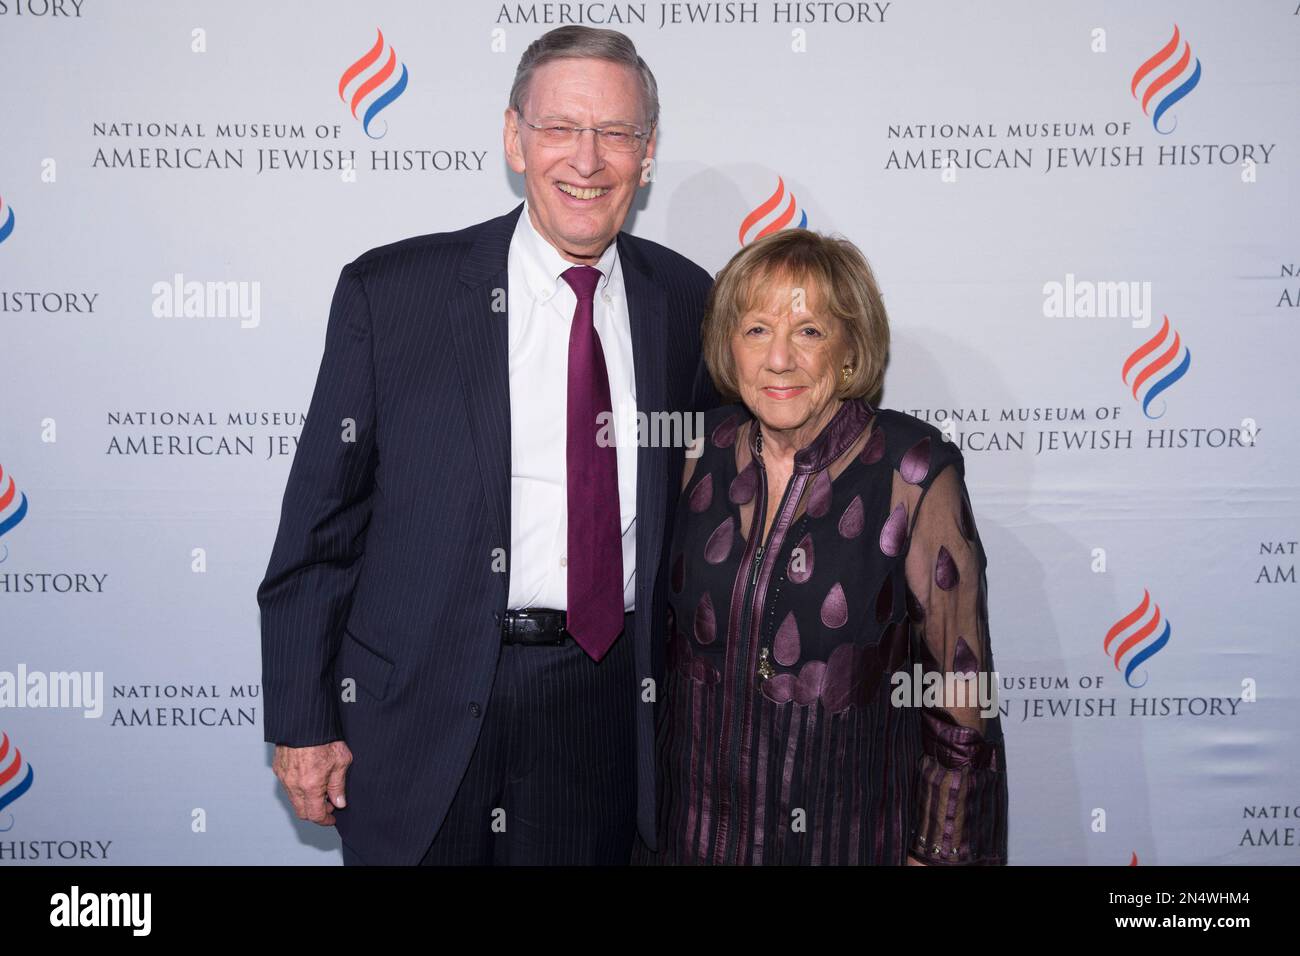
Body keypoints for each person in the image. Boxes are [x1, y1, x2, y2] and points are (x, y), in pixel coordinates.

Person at [257, 25, 718, 865]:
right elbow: (319, 528)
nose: (587, 158)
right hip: (414, 707)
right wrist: (301, 719)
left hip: (600, 709)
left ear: (647, 154)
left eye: (616, 132)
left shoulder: (688, 302)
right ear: (514, 138)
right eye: (559, 128)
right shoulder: (393, 294)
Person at [632, 228, 1009, 865]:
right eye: (756, 330)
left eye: (809, 331)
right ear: (730, 346)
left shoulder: (912, 473)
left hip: (848, 842)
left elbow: (960, 684)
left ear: (851, 352)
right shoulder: (698, 452)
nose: (779, 358)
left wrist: (940, 852)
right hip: (688, 842)